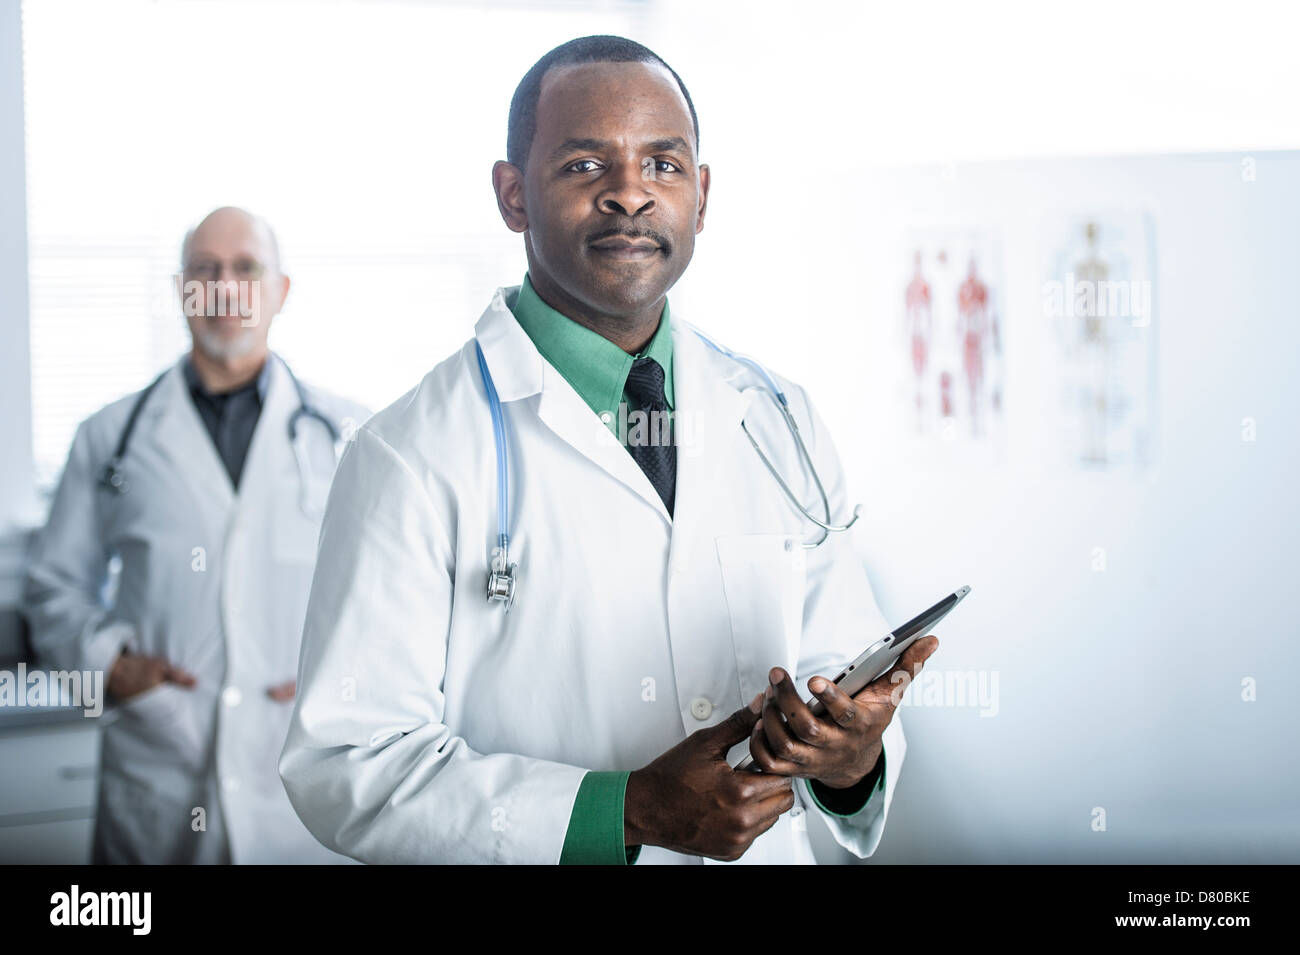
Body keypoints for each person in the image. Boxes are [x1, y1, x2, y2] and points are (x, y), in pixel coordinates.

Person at [280, 36, 937, 865]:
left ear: (701, 195)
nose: (631, 195)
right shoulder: (409, 454)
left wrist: (850, 758)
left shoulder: (778, 417)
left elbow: (835, 665)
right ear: (513, 195)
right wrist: (621, 811)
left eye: (662, 165)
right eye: (587, 166)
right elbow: (349, 763)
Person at [23, 207, 369, 864]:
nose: (224, 287)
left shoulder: (351, 434)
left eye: (246, 268)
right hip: (162, 758)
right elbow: (53, 588)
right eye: (204, 270)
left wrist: (345, 674)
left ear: (281, 291)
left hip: (302, 766)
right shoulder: (109, 436)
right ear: (181, 290)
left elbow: (387, 595)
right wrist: (111, 668)